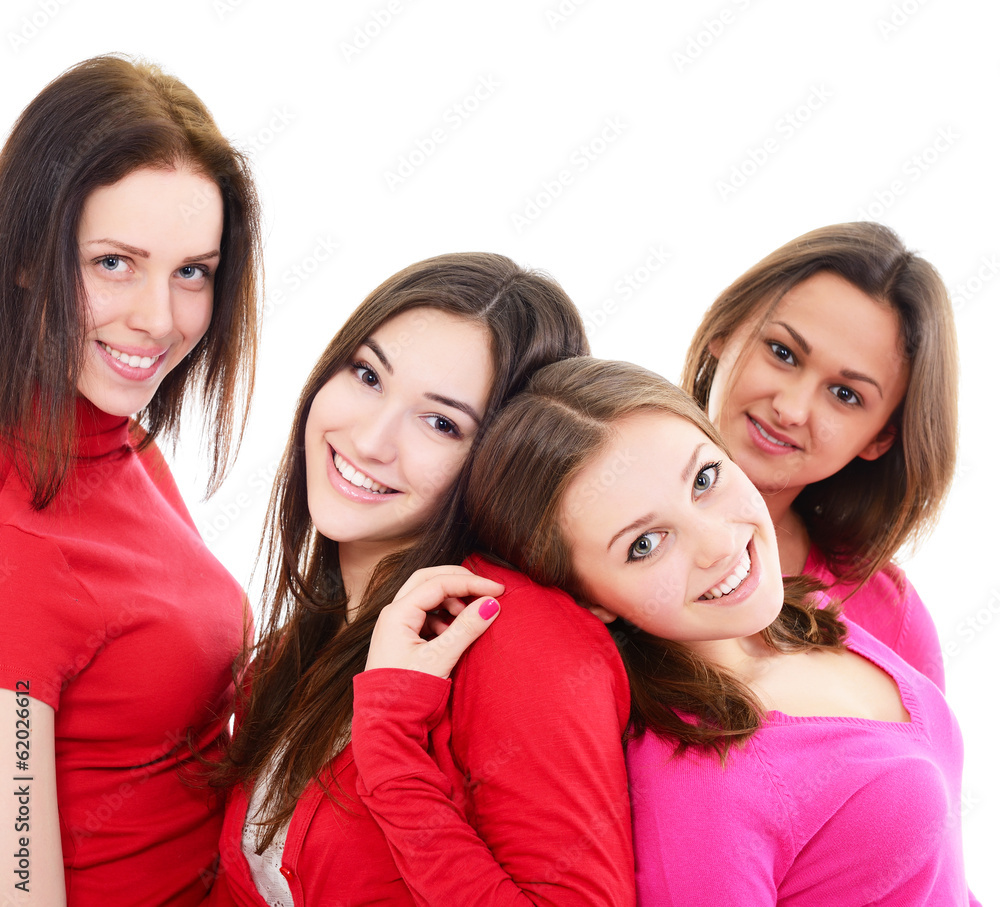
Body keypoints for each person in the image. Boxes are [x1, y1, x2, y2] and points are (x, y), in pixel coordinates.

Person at [451, 356, 974, 905]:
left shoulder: (805, 608)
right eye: (645, 544)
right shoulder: (706, 791)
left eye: (704, 479)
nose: (719, 544)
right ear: (589, 599)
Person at [209, 253, 635, 906]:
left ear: (498, 463)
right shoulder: (292, 651)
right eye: (367, 374)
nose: (371, 440)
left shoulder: (510, 631)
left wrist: (394, 756)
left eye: (441, 423)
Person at [0, 55, 261, 905]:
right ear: (27, 255)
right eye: (115, 262)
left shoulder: (117, 440)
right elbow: (17, 876)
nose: (159, 318)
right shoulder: (16, 537)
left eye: (192, 271)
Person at [680, 223, 958, 687]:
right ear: (726, 330)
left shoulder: (892, 621)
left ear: (880, 438)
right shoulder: (586, 500)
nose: (790, 409)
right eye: (782, 352)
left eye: (845, 394)